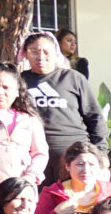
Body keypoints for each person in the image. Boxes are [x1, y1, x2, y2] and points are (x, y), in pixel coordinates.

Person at [16, 32, 102, 183]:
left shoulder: (73, 78)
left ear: (56, 53)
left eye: (46, 52)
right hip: (33, 155)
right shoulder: (19, 81)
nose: (40, 56)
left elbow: (94, 116)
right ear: (25, 54)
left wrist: (101, 151)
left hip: (73, 154)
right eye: (34, 51)